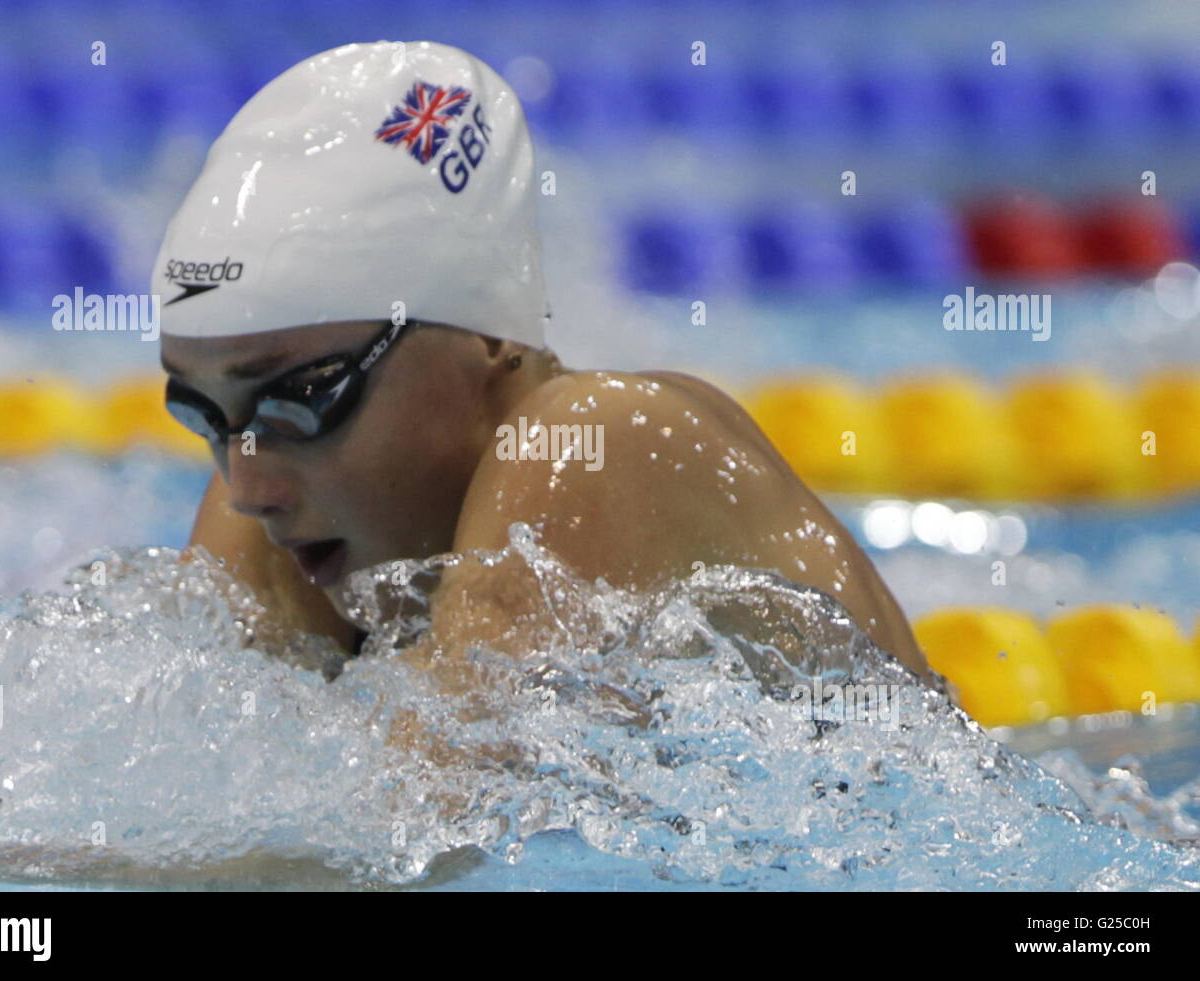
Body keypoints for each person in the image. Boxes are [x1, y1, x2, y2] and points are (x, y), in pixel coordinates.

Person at [154, 40, 931, 698]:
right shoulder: (285, 494)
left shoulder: (595, 442)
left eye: (304, 397)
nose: (248, 486)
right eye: (205, 415)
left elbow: (414, 828)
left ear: (486, 336)